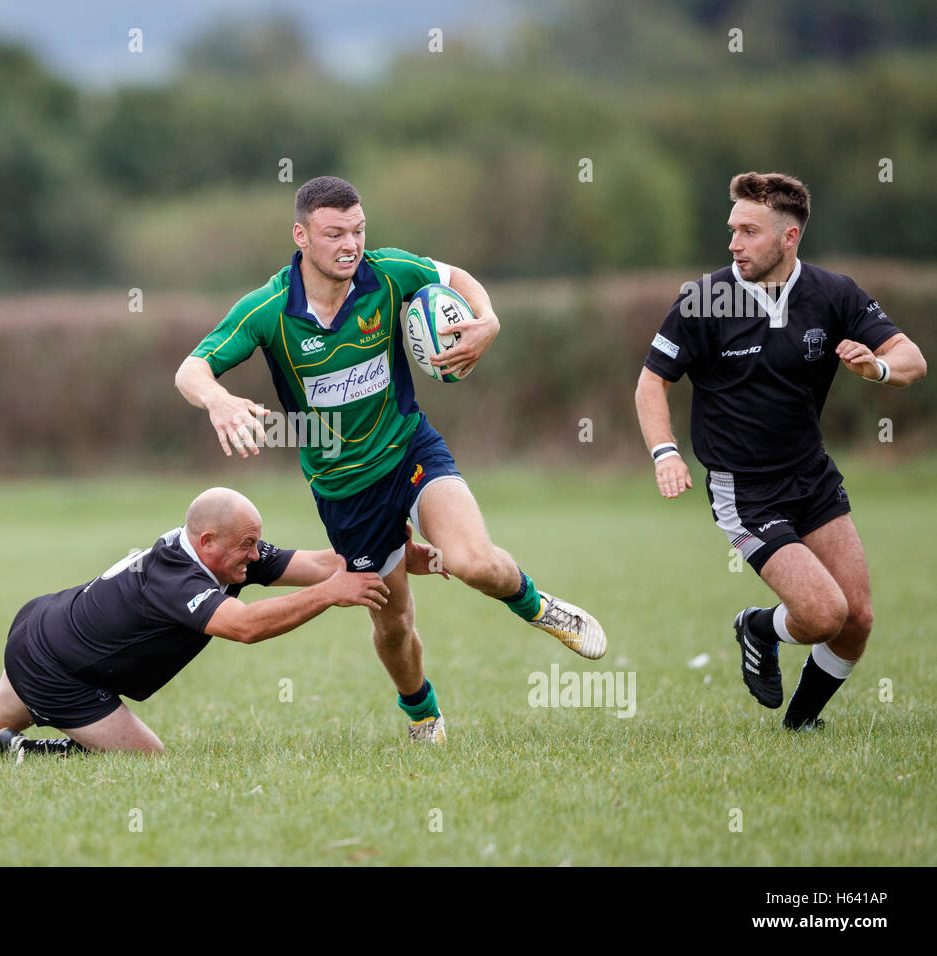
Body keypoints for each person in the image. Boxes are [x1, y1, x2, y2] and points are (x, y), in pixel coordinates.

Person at [174, 176, 607, 746]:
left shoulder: (389, 273)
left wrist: (489, 320)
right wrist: (219, 399)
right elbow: (191, 369)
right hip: (344, 489)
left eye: (357, 230)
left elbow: (456, 278)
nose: (349, 244)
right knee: (394, 622)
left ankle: (539, 606)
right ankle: (423, 716)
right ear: (301, 235)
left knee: (473, 561)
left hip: (410, 449)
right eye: (334, 234)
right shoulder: (268, 309)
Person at [635, 171, 926, 730]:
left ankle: (799, 725)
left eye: (749, 231)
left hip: (812, 476)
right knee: (822, 613)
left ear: (789, 237)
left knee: (857, 618)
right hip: (745, 489)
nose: (733, 243)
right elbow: (652, 382)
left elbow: (913, 359)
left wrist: (879, 367)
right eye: (731, 229)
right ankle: (760, 627)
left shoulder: (833, 294)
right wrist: (665, 452)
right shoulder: (704, 298)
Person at [0, 487, 415, 758]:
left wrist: (392, 555)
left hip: (44, 624)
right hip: (62, 666)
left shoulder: (219, 551)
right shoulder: (180, 578)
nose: (255, 555)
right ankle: (30, 752)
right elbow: (245, 628)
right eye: (246, 545)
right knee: (148, 761)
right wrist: (332, 595)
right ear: (208, 541)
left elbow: (315, 562)